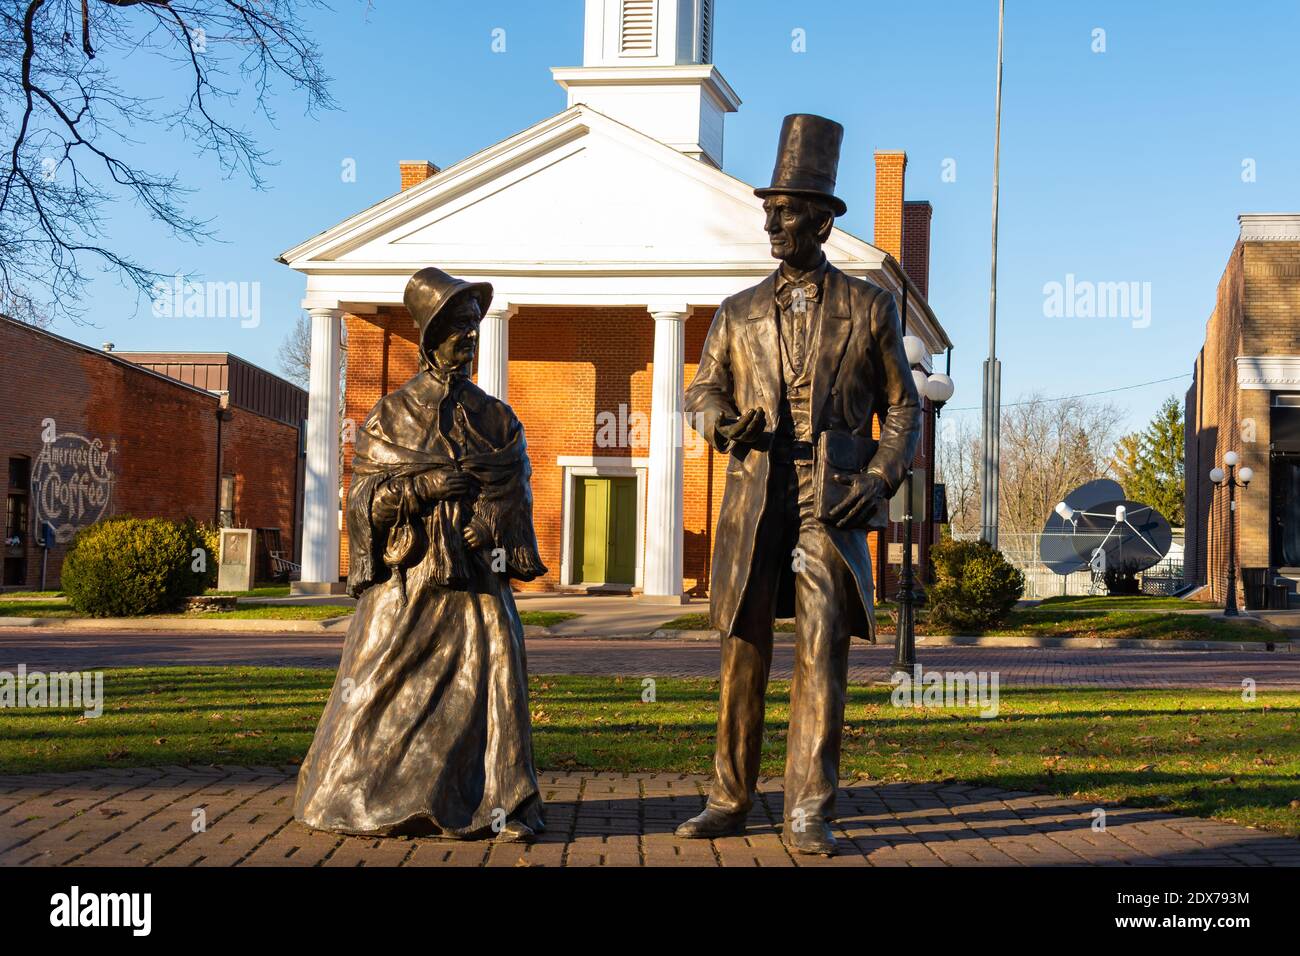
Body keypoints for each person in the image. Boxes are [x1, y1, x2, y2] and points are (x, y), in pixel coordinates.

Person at [677, 114, 921, 856]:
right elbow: (701, 393)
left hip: (832, 495)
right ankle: (730, 797)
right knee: (743, 644)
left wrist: (880, 476)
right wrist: (724, 424)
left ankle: (810, 809)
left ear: (819, 219)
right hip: (757, 492)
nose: (772, 222)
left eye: (785, 210)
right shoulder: (737, 311)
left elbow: (905, 407)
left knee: (822, 648)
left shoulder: (869, 306)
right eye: (769, 210)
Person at [294, 267, 547, 842]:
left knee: (495, 675)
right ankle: (353, 795)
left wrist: (491, 522)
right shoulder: (389, 416)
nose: (470, 338)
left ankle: (501, 802)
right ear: (431, 336)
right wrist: (421, 489)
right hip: (406, 585)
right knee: (375, 686)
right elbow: (364, 502)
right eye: (458, 327)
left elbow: (514, 487)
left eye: (474, 326)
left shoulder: (496, 416)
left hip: (478, 585)